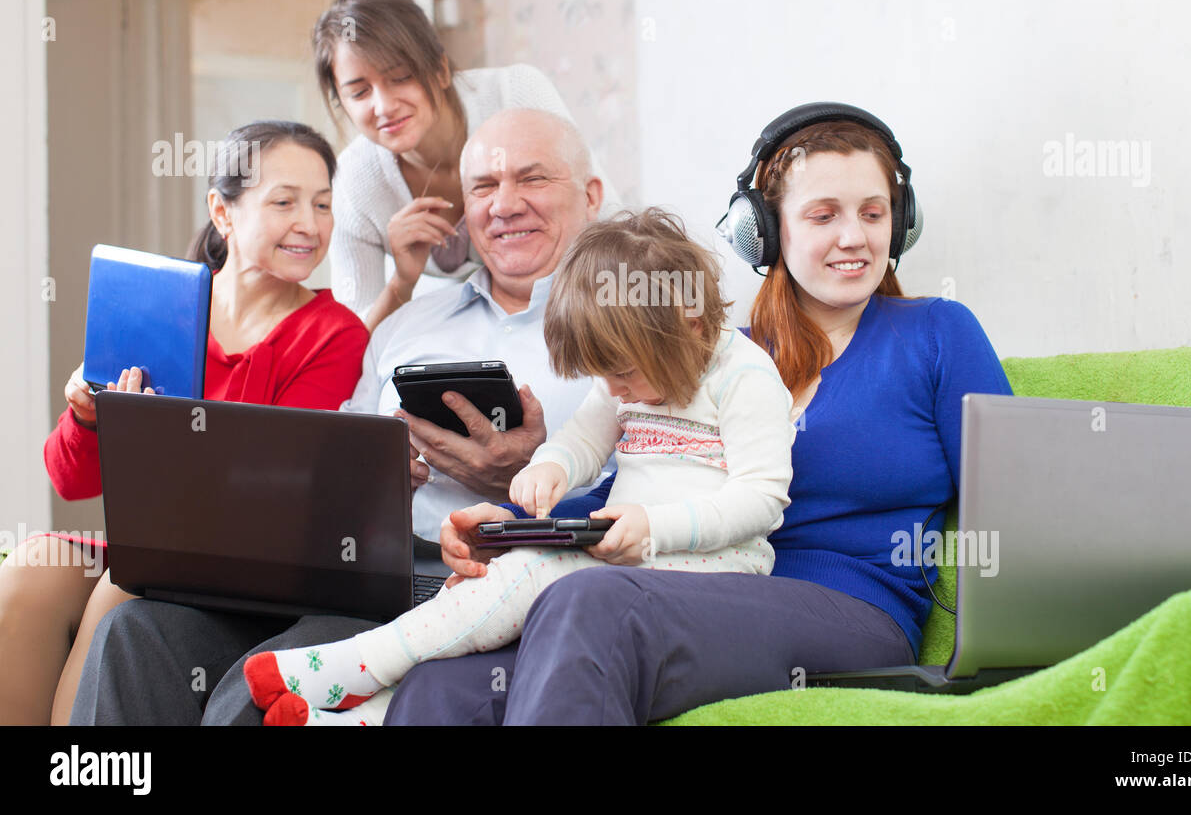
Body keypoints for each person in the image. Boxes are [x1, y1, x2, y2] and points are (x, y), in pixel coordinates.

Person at [382, 105, 1015, 724]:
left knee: (592, 602)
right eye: (823, 215)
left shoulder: (936, 333)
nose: (854, 237)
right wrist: (510, 525)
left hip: (851, 611)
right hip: (687, 589)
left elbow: (1018, 507)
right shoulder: (701, 348)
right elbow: (624, 488)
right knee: (447, 681)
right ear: (764, 232)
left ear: (900, 223)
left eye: (873, 214)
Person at [68, 108, 609, 725]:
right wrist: (371, 477)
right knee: (134, 635)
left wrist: (525, 484)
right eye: (483, 187)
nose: (504, 204)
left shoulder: (624, 333)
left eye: (532, 179)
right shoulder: (408, 327)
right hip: (358, 577)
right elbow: (331, 456)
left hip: (481, 595)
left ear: (591, 196)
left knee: (257, 691)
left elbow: (660, 486)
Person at [242, 209, 795, 724]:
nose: (614, 391)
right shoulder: (630, 377)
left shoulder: (743, 376)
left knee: (534, 572)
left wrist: (655, 528)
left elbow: (762, 501)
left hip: (719, 569)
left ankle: (362, 662)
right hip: (634, 556)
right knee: (487, 577)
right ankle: (369, 714)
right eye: (602, 376)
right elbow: (582, 438)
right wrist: (550, 468)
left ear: (690, 324)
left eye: (622, 374)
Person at [0, 121, 368, 725]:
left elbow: (275, 482)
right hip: (154, 542)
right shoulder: (154, 305)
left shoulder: (333, 332)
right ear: (223, 212)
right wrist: (89, 415)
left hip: (249, 553)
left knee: (127, 582)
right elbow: (71, 482)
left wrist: (154, 434)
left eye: (323, 204)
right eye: (284, 202)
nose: (310, 222)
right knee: (29, 572)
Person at [314, 0, 619, 332]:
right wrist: (401, 282)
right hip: (461, 332)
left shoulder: (515, 93)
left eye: (400, 77)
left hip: (572, 310)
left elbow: (609, 221)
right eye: (359, 92)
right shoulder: (354, 183)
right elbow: (353, 342)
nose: (383, 106)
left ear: (442, 70)